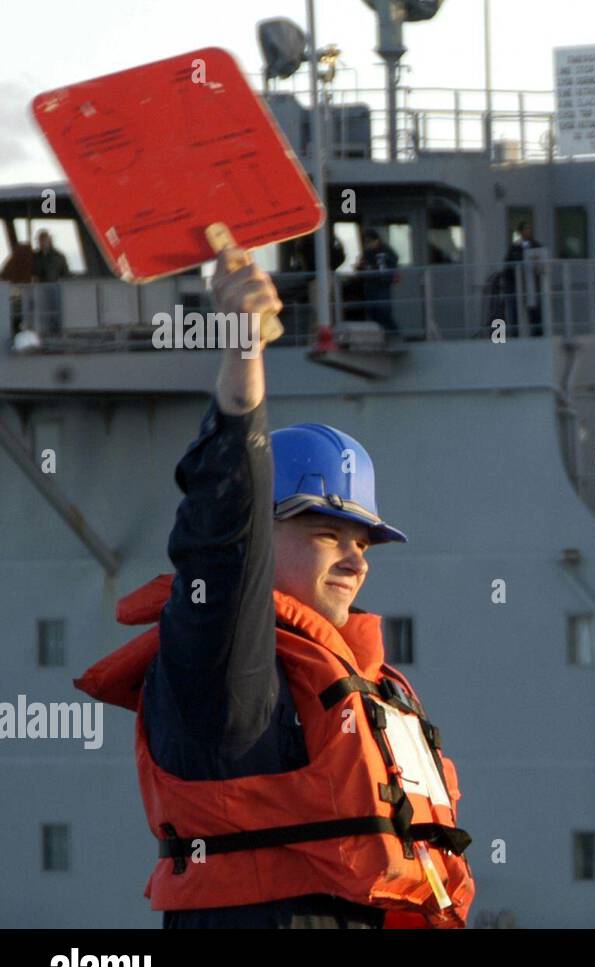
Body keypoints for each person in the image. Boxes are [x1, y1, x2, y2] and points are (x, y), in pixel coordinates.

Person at [76, 248, 475, 929]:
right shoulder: (226, 663)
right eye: (325, 532)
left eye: (363, 542)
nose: (356, 560)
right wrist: (242, 355)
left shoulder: (363, 684)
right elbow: (220, 539)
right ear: (262, 538)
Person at [503, 222, 546, 337]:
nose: (528, 232)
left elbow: (541, 263)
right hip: (515, 285)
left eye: (529, 229)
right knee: (514, 312)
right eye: (526, 229)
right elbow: (508, 265)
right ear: (521, 232)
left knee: (535, 311)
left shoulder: (536, 246)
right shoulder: (514, 247)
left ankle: (537, 334)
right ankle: (515, 334)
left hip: (531, 284)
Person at [355, 228, 400, 335]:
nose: (368, 244)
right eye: (366, 242)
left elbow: (392, 262)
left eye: (370, 241)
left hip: (382, 285)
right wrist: (361, 268)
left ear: (376, 240)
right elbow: (361, 266)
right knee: (373, 312)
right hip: (370, 285)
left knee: (384, 311)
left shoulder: (386, 251)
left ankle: (394, 335)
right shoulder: (367, 253)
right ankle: (382, 336)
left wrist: (388, 273)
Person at [31, 231, 70, 334]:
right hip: (40, 290)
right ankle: (42, 330)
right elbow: (32, 272)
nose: (43, 243)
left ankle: (57, 330)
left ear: (49, 241)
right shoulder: (35, 257)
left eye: (45, 240)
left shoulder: (58, 256)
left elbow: (66, 273)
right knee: (41, 311)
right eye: (41, 240)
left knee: (56, 310)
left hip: (55, 289)